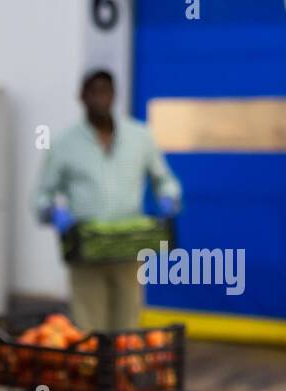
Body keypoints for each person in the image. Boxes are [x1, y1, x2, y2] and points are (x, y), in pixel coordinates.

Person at [33, 69, 182, 332]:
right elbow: (42, 195)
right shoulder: (64, 144)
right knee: (88, 330)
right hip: (85, 250)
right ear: (81, 97)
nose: (100, 99)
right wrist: (52, 212)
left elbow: (164, 179)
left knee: (126, 329)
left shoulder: (140, 137)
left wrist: (169, 196)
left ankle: (120, 374)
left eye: (105, 91)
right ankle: (93, 373)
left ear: (114, 95)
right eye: (93, 92)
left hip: (128, 249)